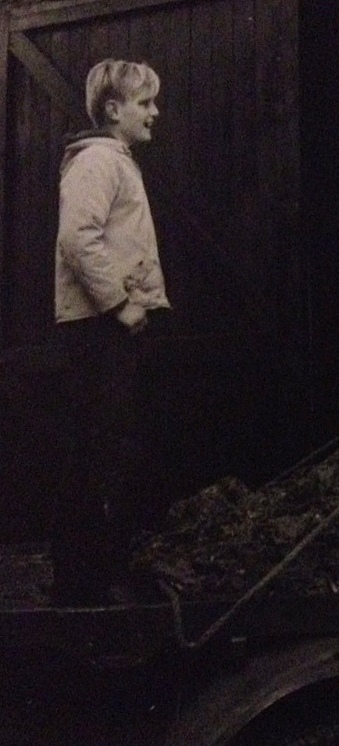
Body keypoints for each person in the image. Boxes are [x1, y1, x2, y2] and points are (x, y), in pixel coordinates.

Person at [52, 59, 169, 605]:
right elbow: (77, 239)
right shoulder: (97, 161)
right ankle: (85, 585)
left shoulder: (117, 161)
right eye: (145, 103)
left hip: (113, 328)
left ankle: (102, 574)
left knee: (116, 449)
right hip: (100, 330)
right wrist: (120, 304)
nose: (155, 112)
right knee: (99, 451)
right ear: (113, 109)